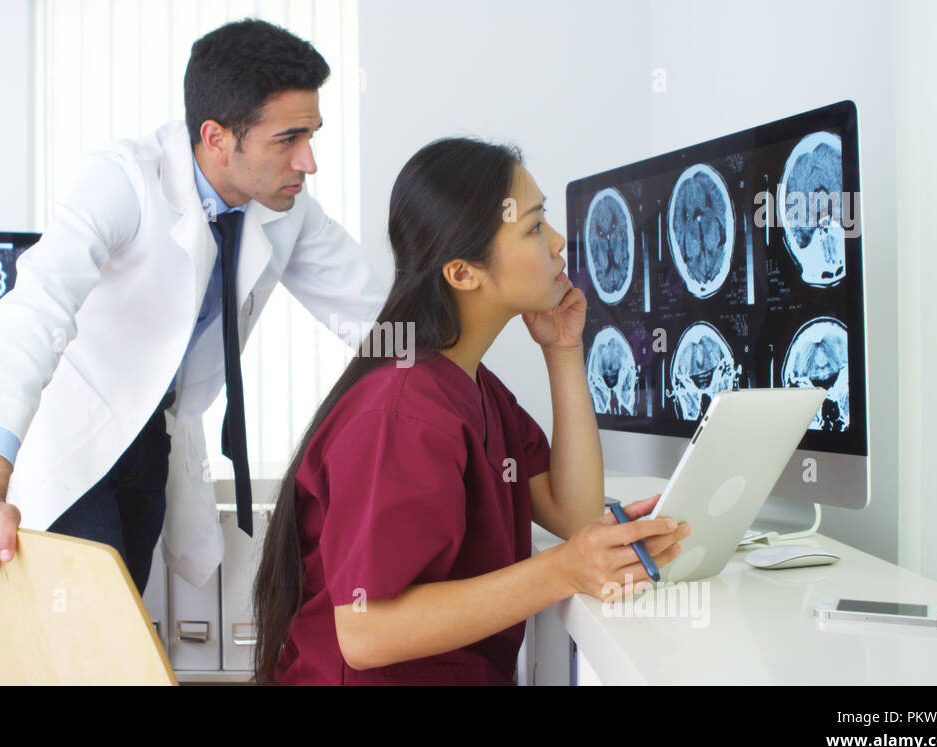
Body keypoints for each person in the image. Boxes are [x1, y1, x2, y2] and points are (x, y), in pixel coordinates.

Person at [0, 19, 388, 595]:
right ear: (217, 136)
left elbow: (377, 320)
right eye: (288, 139)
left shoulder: (287, 209)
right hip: (73, 436)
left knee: (122, 626)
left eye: (312, 135)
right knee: (92, 637)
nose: (309, 161)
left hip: (155, 438)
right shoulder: (125, 179)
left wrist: (468, 390)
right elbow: (35, 308)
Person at [253, 138, 690, 685]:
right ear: (463, 273)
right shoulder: (402, 411)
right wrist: (563, 569)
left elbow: (571, 512)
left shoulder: (473, 388)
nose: (559, 243)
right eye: (533, 228)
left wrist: (562, 350)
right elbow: (365, 634)